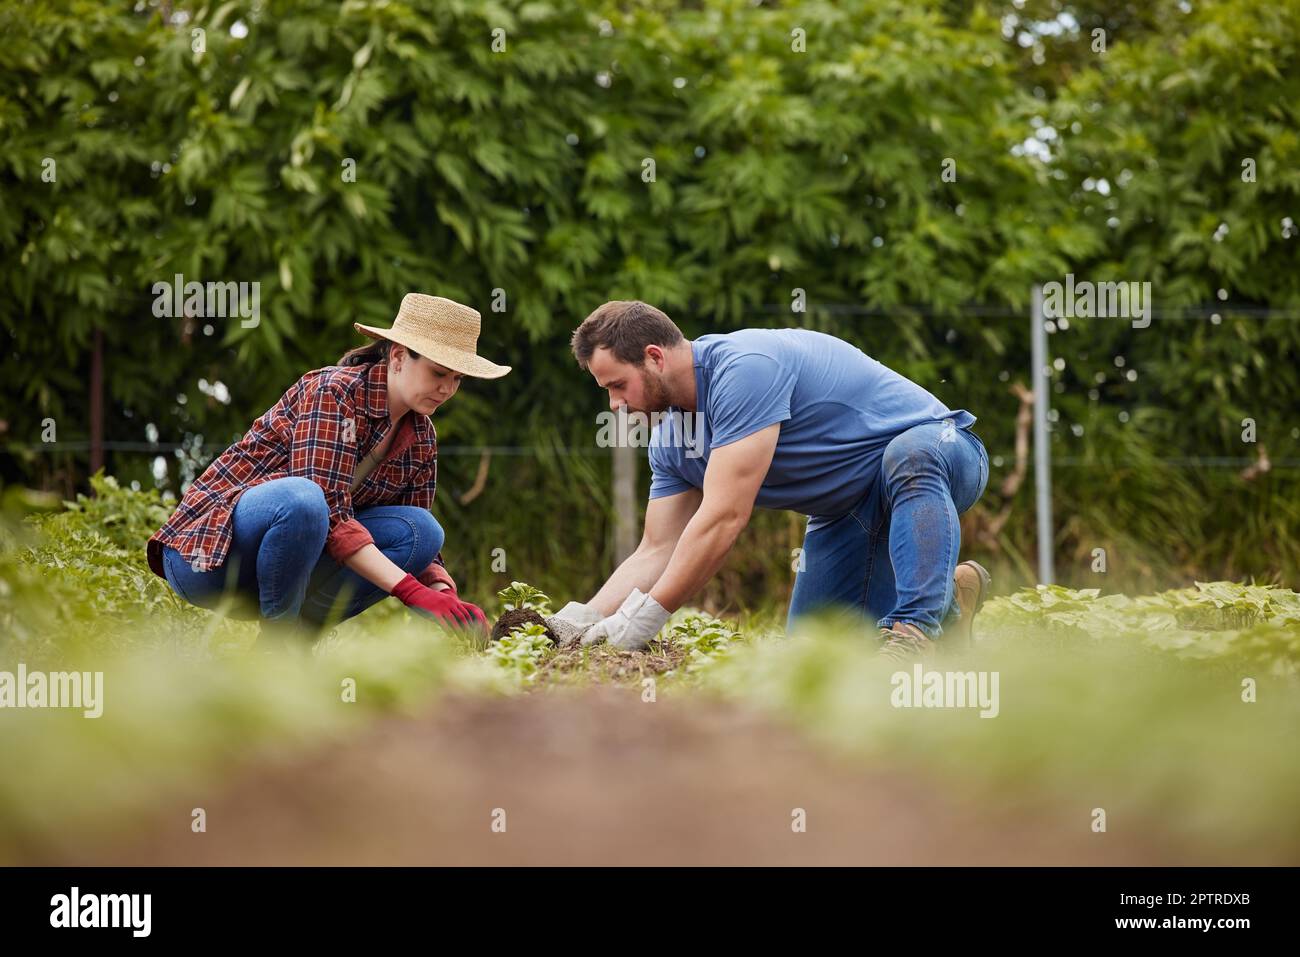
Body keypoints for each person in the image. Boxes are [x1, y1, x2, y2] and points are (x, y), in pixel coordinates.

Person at [552, 300, 990, 660]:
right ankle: (949, 597)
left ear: (654, 357)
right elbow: (656, 548)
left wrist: (646, 617)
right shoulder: (672, 439)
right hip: (848, 511)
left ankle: (914, 630)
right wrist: (580, 619)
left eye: (618, 386)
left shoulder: (745, 370)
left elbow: (724, 517)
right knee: (809, 656)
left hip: (942, 454)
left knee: (907, 454)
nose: (614, 405)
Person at [146, 293, 508, 637]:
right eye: (438, 373)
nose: (447, 389)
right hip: (210, 559)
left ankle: (296, 644)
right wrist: (410, 591)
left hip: (288, 571)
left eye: (457, 379)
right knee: (304, 499)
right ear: (398, 357)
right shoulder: (334, 392)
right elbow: (328, 513)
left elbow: (411, 534)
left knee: (424, 532)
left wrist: (443, 594)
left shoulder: (422, 436)